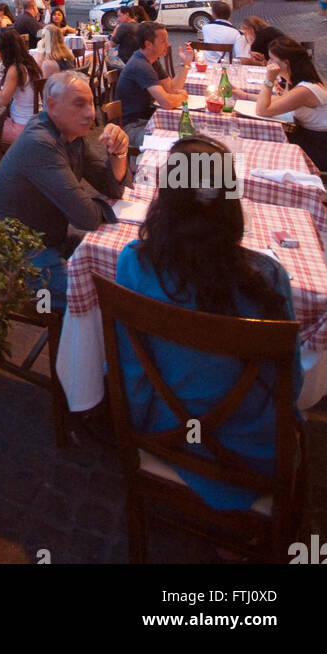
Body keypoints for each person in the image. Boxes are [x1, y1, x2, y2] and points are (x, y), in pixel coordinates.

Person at [116, 136, 301, 512]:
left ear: (164, 199)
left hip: (166, 433)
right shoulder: (268, 278)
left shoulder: (134, 262)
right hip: (254, 454)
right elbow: (291, 384)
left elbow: (131, 371)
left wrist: (136, 426)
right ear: (230, 202)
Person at [0, 70, 129, 309]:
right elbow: (86, 217)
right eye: (79, 104)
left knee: (120, 274)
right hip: (17, 258)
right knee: (102, 300)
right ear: (52, 106)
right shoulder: (40, 143)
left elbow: (111, 187)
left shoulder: (71, 135)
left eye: (91, 103)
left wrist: (119, 152)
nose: (91, 113)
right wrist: (96, 207)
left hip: (49, 240)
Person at [117, 22, 195, 148]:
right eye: (163, 41)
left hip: (149, 119)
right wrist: (183, 97)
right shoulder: (140, 65)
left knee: (190, 132)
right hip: (133, 127)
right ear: (148, 44)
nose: (168, 45)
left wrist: (186, 65)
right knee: (179, 143)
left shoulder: (152, 61)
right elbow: (166, 102)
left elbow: (171, 89)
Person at [255, 37, 327, 170]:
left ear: (285, 63)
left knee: (266, 148)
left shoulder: (304, 90)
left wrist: (269, 80)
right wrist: (243, 95)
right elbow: (279, 101)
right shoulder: (295, 81)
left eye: (272, 59)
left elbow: (262, 110)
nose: (269, 63)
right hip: (307, 134)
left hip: (319, 145)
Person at [0, 26, 44, 147]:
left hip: (22, 127)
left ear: (5, 50)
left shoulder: (15, 69)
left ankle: (2, 159)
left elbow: (3, 101)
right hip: (35, 122)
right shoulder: (29, 62)